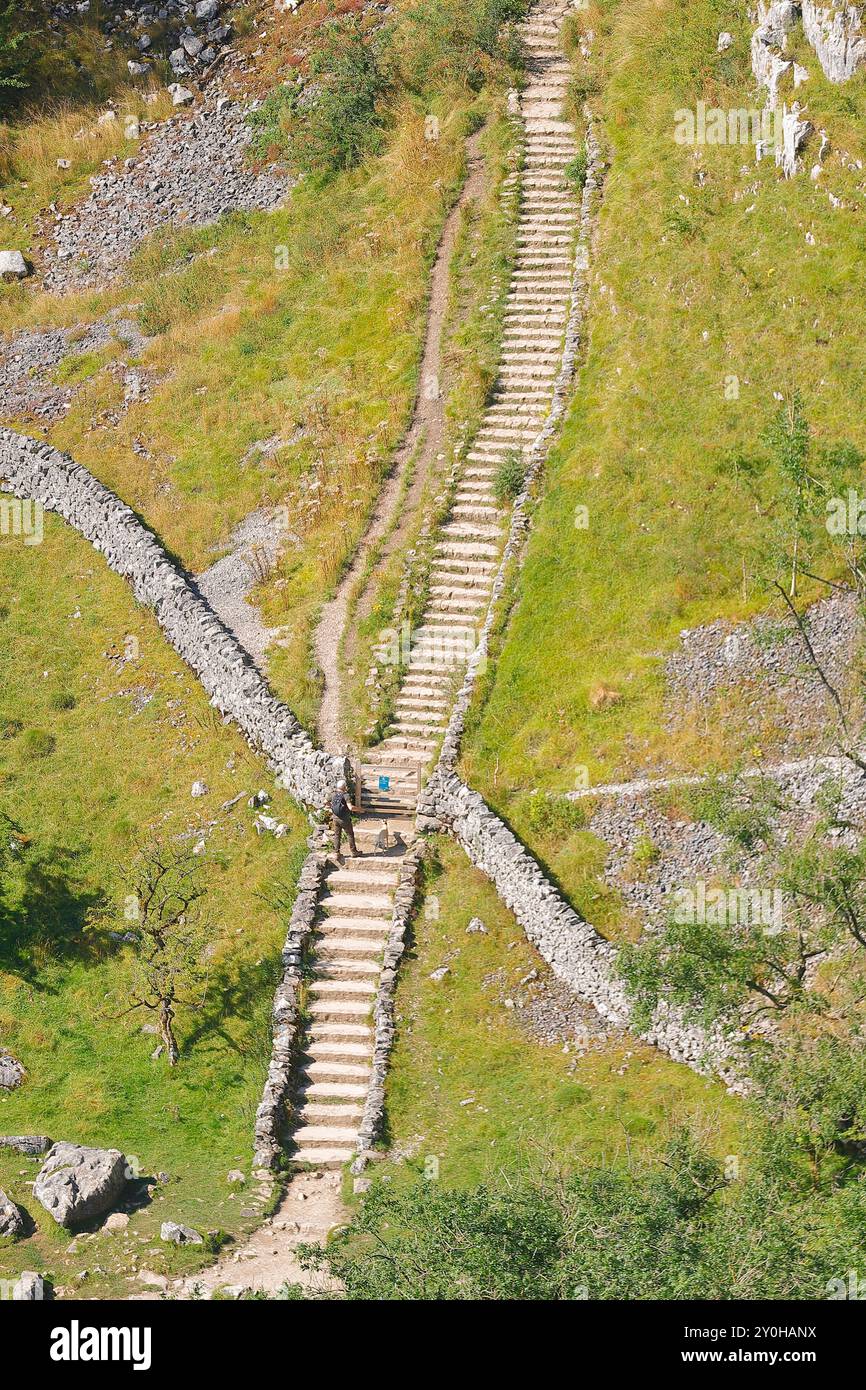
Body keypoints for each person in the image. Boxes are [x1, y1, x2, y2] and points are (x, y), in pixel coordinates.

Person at [330, 779, 359, 861]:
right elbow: (350, 807)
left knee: (337, 835)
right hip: (345, 819)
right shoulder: (345, 795)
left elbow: (325, 802)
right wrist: (360, 809)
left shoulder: (332, 794)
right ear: (344, 787)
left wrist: (331, 807)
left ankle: (336, 853)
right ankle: (354, 852)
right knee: (350, 834)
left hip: (335, 818)